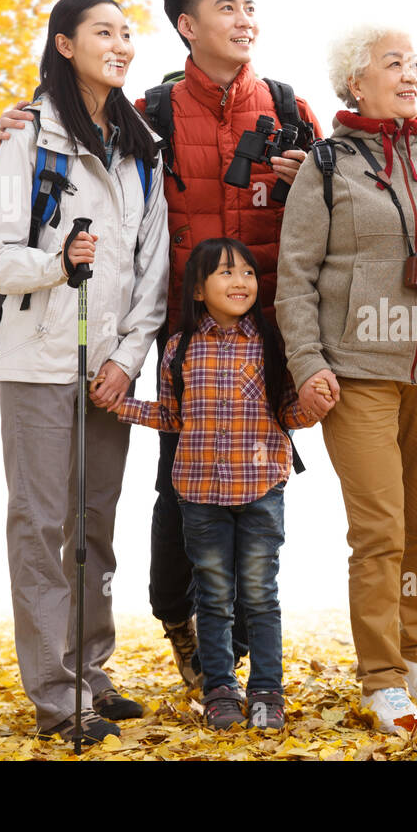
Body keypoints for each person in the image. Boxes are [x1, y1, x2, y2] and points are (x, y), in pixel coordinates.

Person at [0, 0, 323, 690]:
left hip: (268, 332)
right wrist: (20, 121)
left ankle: (241, 644)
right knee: (182, 487)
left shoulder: (289, 107)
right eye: (226, 8)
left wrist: (313, 180)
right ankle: (182, 623)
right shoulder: (149, 114)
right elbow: (78, 131)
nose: (244, 20)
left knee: (260, 487)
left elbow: (334, 210)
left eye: (249, 7)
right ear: (187, 25)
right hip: (181, 337)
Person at [276, 24, 417, 732]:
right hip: (357, 373)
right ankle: (381, 677)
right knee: (381, 530)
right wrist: (308, 364)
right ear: (356, 81)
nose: (410, 74)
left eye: (416, 63)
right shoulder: (326, 165)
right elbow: (294, 277)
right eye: (393, 63)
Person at [0, 0, 169, 745]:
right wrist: (57, 265)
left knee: (93, 527)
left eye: (126, 33)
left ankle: (91, 671)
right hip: (38, 366)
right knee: (40, 526)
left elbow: (153, 272)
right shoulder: (25, 139)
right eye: (102, 32)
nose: (120, 44)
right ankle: (57, 696)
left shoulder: (142, 148)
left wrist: (127, 359)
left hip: (107, 372)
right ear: (64, 44)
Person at [109, 239, 316, 730]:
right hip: (199, 493)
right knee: (214, 598)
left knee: (260, 596)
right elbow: (171, 417)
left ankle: (267, 690)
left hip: (261, 489)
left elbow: (288, 412)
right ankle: (220, 688)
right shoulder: (179, 348)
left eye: (248, 272)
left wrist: (314, 408)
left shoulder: (272, 344)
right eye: (226, 273)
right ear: (198, 290)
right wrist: (119, 405)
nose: (240, 281)